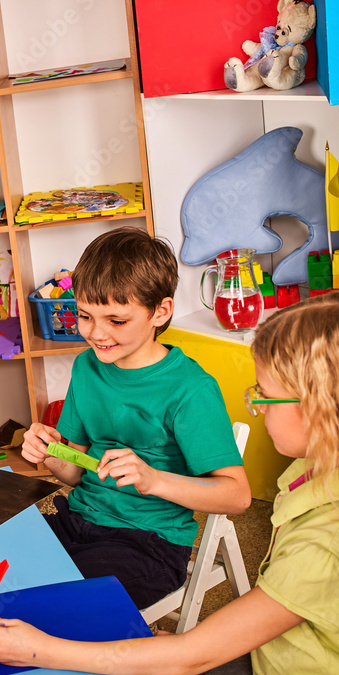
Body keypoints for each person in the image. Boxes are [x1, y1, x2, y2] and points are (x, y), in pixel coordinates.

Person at [0, 293, 339, 675]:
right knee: (115, 670)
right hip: (280, 664)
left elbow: (187, 658)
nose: (257, 405)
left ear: (321, 407)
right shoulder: (312, 473)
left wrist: (40, 650)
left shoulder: (326, 541)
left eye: (265, 395)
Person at [21, 227, 251, 608]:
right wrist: (49, 453)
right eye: (84, 316)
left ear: (160, 311)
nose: (96, 334)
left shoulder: (190, 389)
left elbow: (239, 496)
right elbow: (74, 473)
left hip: (148, 542)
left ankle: (141, 660)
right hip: (77, 520)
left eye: (116, 320)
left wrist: (153, 478)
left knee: (60, 605)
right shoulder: (87, 368)